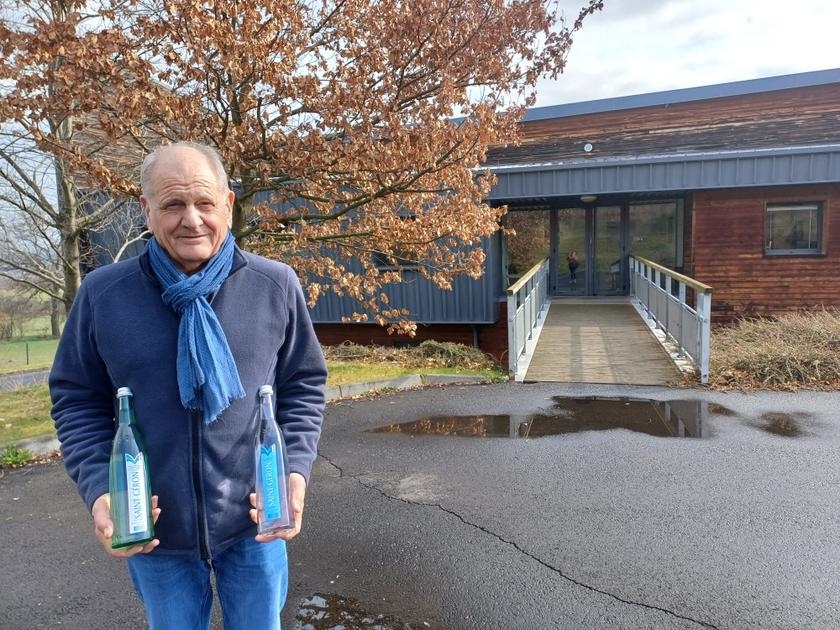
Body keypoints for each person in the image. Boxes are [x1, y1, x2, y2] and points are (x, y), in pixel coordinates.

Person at [49, 142, 328, 629]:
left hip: (256, 523)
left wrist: (296, 473)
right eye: (173, 204)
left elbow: (303, 384)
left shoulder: (275, 286)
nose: (191, 220)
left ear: (228, 204)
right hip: (155, 532)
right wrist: (99, 490)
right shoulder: (103, 294)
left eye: (204, 203)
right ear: (147, 210)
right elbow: (77, 400)